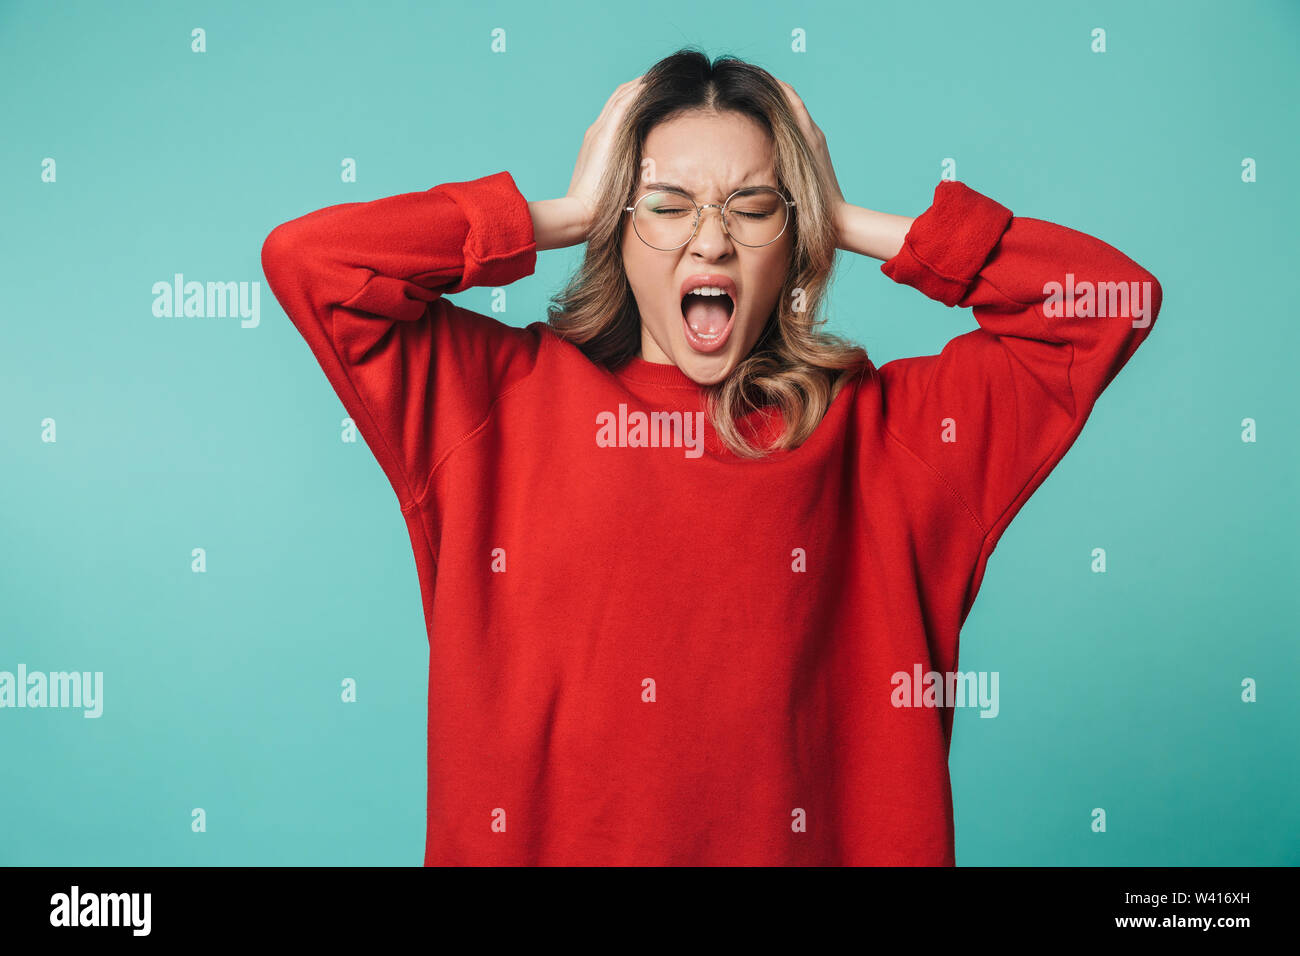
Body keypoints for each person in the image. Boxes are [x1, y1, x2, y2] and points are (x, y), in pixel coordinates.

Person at [260, 48, 1162, 866]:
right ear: (620, 228)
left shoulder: (891, 439)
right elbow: (313, 263)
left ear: (792, 238)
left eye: (755, 205)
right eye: (666, 204)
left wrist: (846, 218)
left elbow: (1108, 300)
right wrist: (559, 214)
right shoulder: (493, 402)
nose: (712, 238)